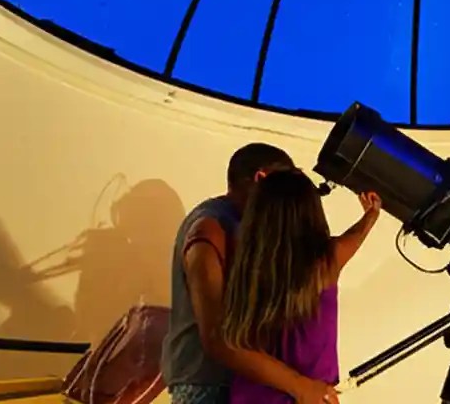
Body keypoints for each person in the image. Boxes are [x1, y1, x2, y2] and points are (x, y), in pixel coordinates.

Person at [162, 144, 338, 404]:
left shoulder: (250, 227)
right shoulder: (209, 229)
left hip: (244, 387)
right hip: (208, 386)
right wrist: (300, 386)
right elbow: (217, 337)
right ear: (261, 178)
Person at [222, 169, 382, 404]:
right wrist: (371, 215)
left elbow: (236, 343)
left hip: (250, 396)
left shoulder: (246, 266)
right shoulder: (326, 262)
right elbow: (353, 238)